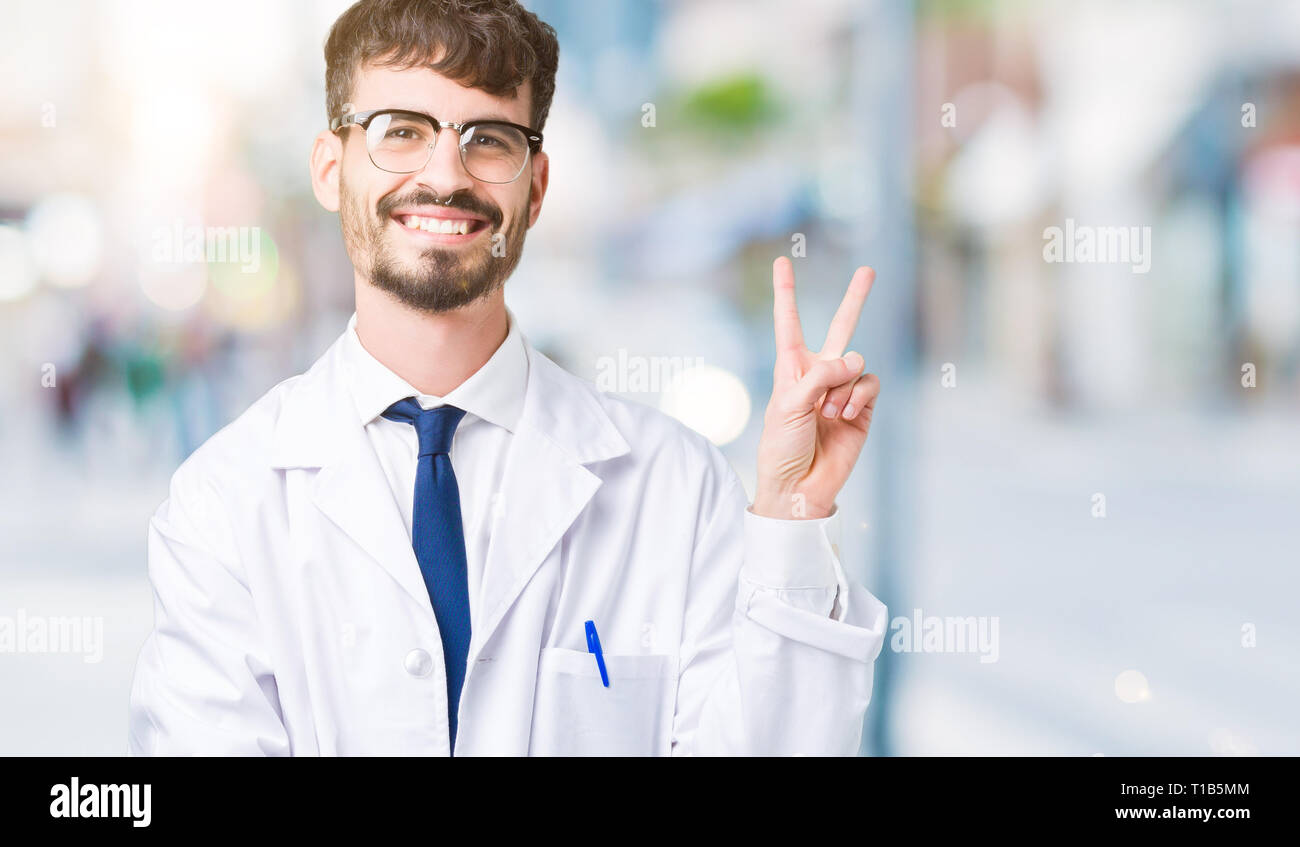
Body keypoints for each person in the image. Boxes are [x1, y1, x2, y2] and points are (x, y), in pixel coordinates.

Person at [127, 0, 887, 756]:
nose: (445, 175)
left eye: (488, 140)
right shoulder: (224, 502)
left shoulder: (678, 488)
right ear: (331, 168)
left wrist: (792, 517)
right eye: (402, 132)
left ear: (538, 183)